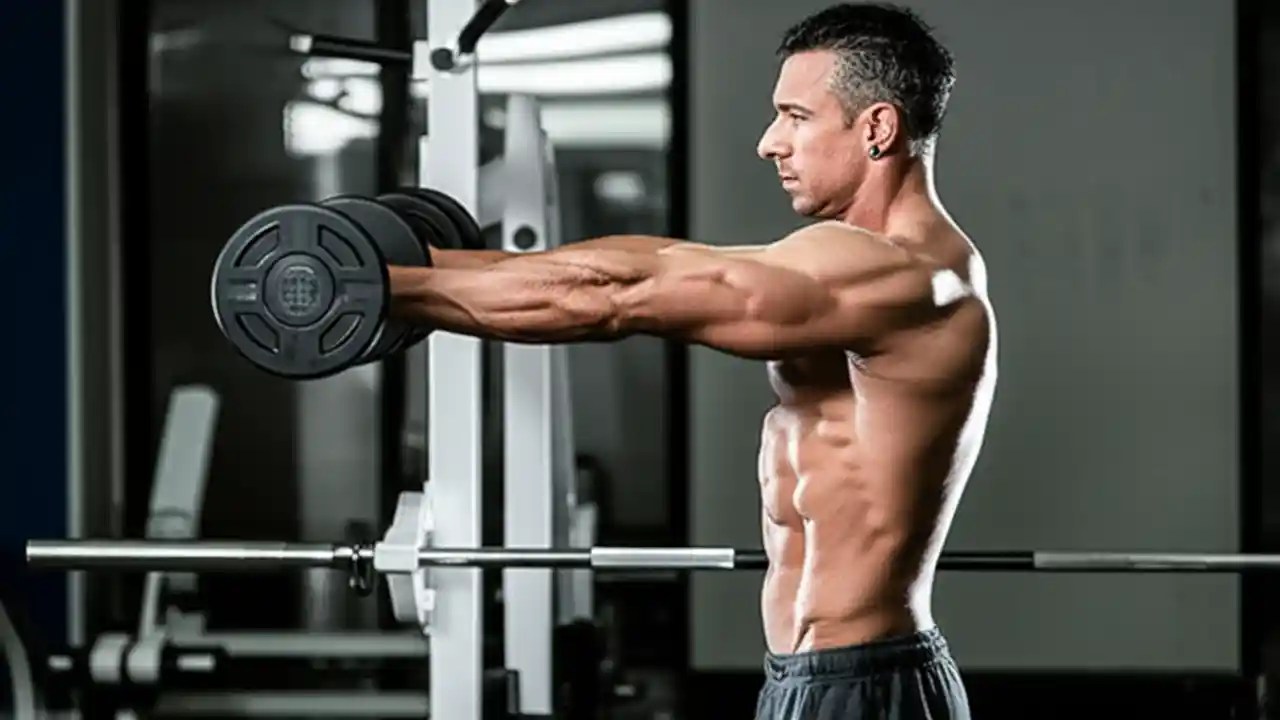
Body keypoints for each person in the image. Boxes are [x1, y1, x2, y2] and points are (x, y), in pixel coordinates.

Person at [388, 3, 993, 718]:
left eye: (796, 117)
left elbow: (623, 295)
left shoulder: (908, 276)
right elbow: (661, 263)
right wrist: (427, 266)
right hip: (811, 675)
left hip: (863, 684)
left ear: (877, 128)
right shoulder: (845, 261)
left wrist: (388, 285)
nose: (770, 142)